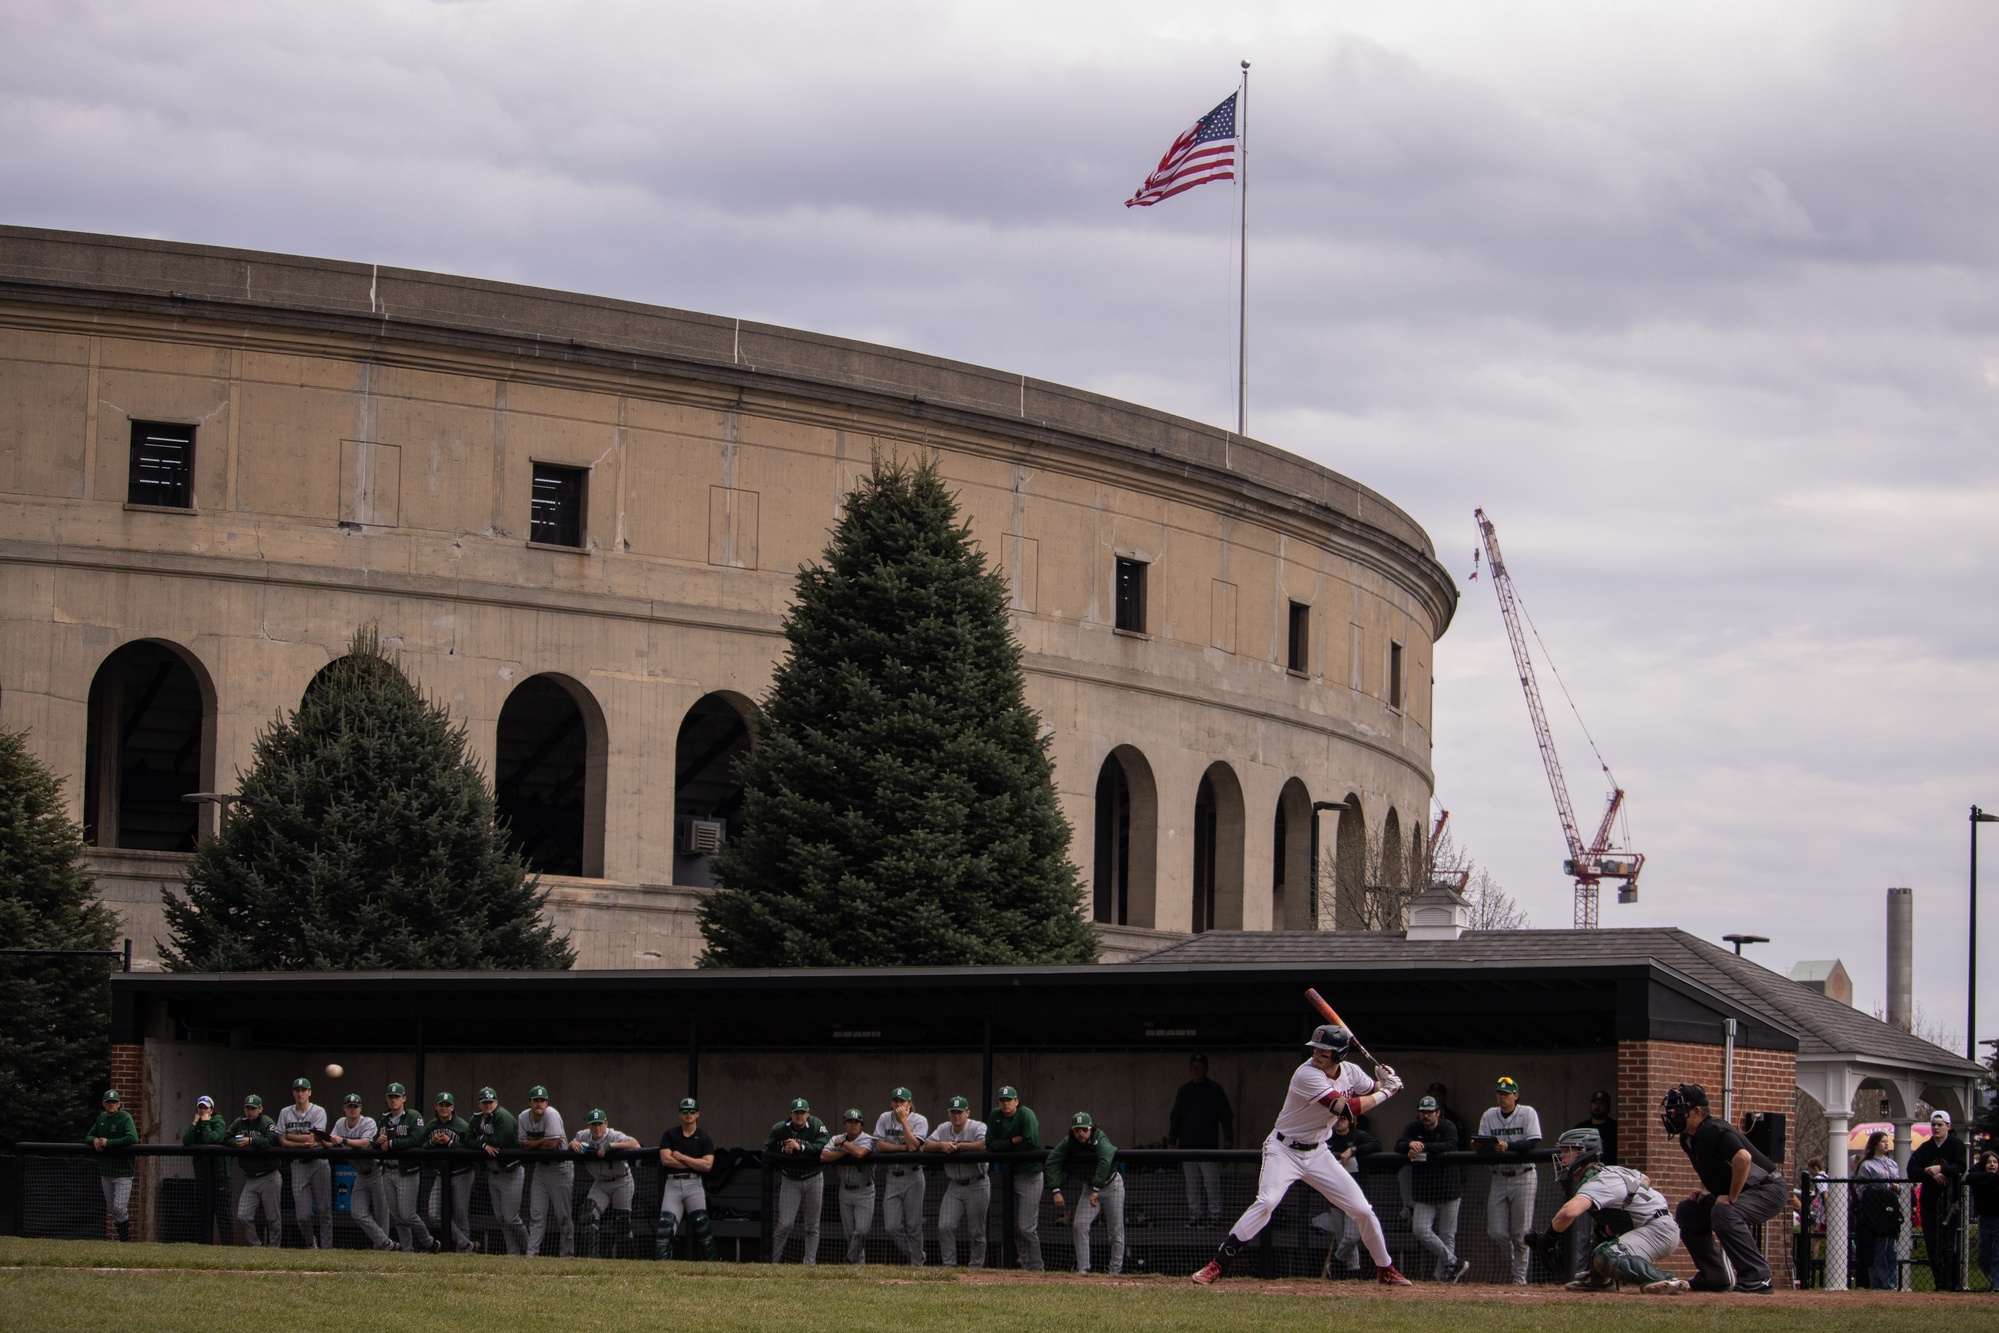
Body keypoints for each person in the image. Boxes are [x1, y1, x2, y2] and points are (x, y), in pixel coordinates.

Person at [1191, 1023, 1411, 1287]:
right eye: (1316, 1049)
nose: (1317, 1055)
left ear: (1339, 1055)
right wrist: (1387, 1091)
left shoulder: (1351, 1071)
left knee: (1363, 1210)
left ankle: (1385, 1269)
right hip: (1283, 1150)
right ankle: (1217, 1265)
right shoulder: (1306, 1074)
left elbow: (1368, 1088)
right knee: (1267, 1202)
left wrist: (1384, 1081)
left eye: (1324, 1052)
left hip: (1318, 1153)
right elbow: (1346, 1109)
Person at [1526, 1127, 1687, 1294]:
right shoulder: (1611, 1171)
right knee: (1602, 1239)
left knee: (1607, 1254)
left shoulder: (1598, 1181)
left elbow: (1569, 1212)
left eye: (1568, 1150)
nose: (1562, 1155)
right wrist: (1625, 1210)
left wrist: (1549, 1237)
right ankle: (1599, 1282)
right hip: (1656, 1224)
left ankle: (1664, 1279)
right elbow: (1645, 1180)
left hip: (1658, 1230)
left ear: (1584, 1151)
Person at [1661, 1083, 1786, 1293]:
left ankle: (1758, 1276)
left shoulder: (1713, 1130)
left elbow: (1743, 1159)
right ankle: (1714, 1276)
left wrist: (1731, 1197)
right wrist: (1708, 1192)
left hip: (1769, 1189)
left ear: (1697, 1112)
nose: (1673, 1115)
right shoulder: (1688, 1138)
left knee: (1725, 1210)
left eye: (1679, 1110)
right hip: (1747, 1191)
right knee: (1688, 1211)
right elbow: (1714, 1168)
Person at [1474, 1076, 1543, 1284]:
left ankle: (1519, 1279)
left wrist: (1508, 1146)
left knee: (1521, 1233)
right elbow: (1483, 1142)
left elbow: (1532, 1143)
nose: (1502, 1098)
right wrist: (1478, 1147)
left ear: (1516, 1096)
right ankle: (1513, 1267)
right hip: (1499, 1176)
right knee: (1495, 1231)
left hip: (1523, 1175)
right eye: (1499, 1094)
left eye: (1506, 1094)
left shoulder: (1527, 1112)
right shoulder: (1489, 1115)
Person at [1395, 1094, 1470, 1282]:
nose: (1426, 1116)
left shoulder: (1448, 1126)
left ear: (1438, 1113)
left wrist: (1422, 1147)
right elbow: (1399, 1145)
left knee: (1447, 1235)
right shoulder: (1414, 1127)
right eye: (1422, 1112)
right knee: (1420, 1229)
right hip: (1425, 1192)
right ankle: (1453, 1261)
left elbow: (1451, 1144)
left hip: (1449, 1190)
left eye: (1429, 1112)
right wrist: (1409, 1145)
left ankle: (1442, 1277)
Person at [1048, 1111, 1123, 1275]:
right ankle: (1084, 1269)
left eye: (1084, 1129)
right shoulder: (1069, 1142)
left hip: (1111, 1186)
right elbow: (1052, 1161)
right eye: (1077, 1130)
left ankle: (1115, 1271)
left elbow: (1105, 1160)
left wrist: (1097, 1188)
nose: (1080, 1133)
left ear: (1091, 1128)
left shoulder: (1100, 1137)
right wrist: (1055, 1189)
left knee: (1115, 1231)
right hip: (1089, 1188)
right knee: (1079, 1224)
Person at [1169, 1054, 1235, 1227]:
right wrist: (1171, 1140)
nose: (1196, 1070)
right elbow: (1175, 1118)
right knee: (1192, 1184)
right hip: (1187, 1146)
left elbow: (1226, 1116)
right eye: (1193, 1067)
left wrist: (1228, 1139)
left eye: (1199, 1067)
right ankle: (1195, 1215)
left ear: (1206, 1069)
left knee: (1211, 1182)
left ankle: (1215, 1216)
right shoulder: (1183, 1091)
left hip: (1208, 1147)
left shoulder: (1214, 1089)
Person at [924, 1095, 989, 1267]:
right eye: (953, 1112)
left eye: (960, 1112)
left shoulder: (977, 1126)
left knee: (976, 1232)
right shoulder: (944, 1128)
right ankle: (949, 1266)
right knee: (945, 1226)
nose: (956, 1115)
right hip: (954, 1185)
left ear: (967, 1112)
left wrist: (959, 1146)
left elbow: (984, 1144)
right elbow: (926, 1144)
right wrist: (941, 1145)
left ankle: (976, 1268)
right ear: (948, 1113)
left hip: (977, 1183)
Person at [1909, 1109, 1968, 1291]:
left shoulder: (1956, 1144)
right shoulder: (1926, 1147)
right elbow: (1912, 1169)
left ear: (1948, 1127)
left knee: (1948, 1243)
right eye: (1933, 1125)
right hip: (1930, 1201)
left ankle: (1951, 1283)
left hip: (1951, 1202)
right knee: (1932, 1243)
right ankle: (1939, 1282)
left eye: (1940, 1125)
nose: (1936, 1128)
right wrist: (1931, 1174)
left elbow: (1960, 1166)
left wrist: (1941, 1169)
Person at [373, 1082, 436, 1252]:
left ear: (404, 1098)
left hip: (407, 1171)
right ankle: (408, 1249)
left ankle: (429, 1242)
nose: (394, 1100)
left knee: (407, 1214)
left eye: (397, 1097)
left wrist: (392, 1143)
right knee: (397, 1216)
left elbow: (418, 1140)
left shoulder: (413, 1116)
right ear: (387, 1099)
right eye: (391, 1097)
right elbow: (376, 1141)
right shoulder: (384, 1119)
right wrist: (377, 1142)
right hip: (388, 1170)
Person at [988, 1084, 1044, 1271]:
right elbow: (990, 1144)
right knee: (1012, 1227)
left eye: (1009, 1100)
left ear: (1016, 1101)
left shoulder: (1026, 1114)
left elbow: (1032, 1142)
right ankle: (1026, 1267)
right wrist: (1012, 1141)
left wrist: (1004, 1147)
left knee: (1026, 1227)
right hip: (1009, 1176)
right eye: (1002, 1101)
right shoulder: (996, 1116)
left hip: (1030, 1175)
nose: (1006, 1104)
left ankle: (1037, 1269)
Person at [767, 1097, 830, 1264]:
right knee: (785, 1224)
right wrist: (783, 1149)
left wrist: (800, 1147)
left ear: (808, 1114)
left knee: (812, 1226)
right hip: (790, 1179)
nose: (799, 1116)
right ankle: (772, 1262)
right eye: (796, 1113)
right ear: (791, 1114)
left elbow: (824, 1146)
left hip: (814, 1177)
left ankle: (809, 1264)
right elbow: (768, 1148)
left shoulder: (817, 1125)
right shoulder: (780, 1128)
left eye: (803, 1113)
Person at [328, 1093, 394, 1250]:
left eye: (355, 1107)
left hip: (376, 1171)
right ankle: (386, 1244)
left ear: (360, 1108)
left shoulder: (368, 1122)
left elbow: (365, 1143)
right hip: (360, 1174)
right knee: (357, 1213)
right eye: (349, 1107)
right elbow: (331, 1141)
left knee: (381, 1215)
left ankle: (382, 1250)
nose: (353, 1110)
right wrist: (323, 1138)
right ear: (344, 1109)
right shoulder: (340, 1123)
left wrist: (343, 1140)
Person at [873, 1088, 930, 1265]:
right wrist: (901, 1148)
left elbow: (913, 1147)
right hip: (892, 1176)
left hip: (912, 1175)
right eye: (896, 1101)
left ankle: (916, 1264)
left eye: (902, 1101)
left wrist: (904, 1121)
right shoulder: (884, 1118)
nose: (899, 1104)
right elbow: (879, 1146)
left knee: (913, 1225)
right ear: (891, 1102)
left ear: (910, 1104)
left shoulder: (919, 1120)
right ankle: (916, 1255)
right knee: (891, 1226)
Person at [657, 1096, 718, 1261]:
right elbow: (666, 1160)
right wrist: (694, 1162)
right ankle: (661, 1269)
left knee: (702, 1225)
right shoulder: (670, 1135)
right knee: (665, 1227)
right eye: (685, 1111)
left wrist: (681, 1157)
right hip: (673, 1183)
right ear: (679, 1114)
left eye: (692, 1111)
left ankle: (713, 1267)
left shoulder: (704, 1138)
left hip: (694, 1184)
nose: (688, 1114)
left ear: (698, 1114)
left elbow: (707, 1166)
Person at [571, 1109, 639, 1258]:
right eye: (594, 1124)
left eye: (600, 1124)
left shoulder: (614, 1135)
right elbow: (572, 1143)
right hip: (601, 1183)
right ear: (588, 1125)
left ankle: (624, 1263)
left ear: (606, 1124)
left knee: (622, 1223)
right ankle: (594, 1259)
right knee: (586, 1215)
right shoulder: (582, 1135)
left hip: (622, 1182)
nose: (597, 1128)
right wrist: (573, 1144)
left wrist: (612, 1146)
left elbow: (635, 1145)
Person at [469, 1087, 529, 1255]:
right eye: (485, 1102)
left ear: (497, 1102)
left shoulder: (503, 1116)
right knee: (501, 1218)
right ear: (479, 1104)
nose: (488, 1105)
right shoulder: (477, 1119)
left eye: (491, 1102)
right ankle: (513, 1253)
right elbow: (467, 1138)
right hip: (493, 1173)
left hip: (511, 1173)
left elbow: (499, 1140)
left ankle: (531, 1250)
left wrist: (480, 1139)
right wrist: (483, 1144)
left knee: (511, 1217)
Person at [277, 1076, 333, 1249]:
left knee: (324, 1210)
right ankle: (311, 1244)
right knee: (302, 1215)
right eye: (297, 1090)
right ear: (293, 1093)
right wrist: (295, 1141)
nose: (300, 1093)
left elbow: (313, 1137)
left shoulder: (318, 1111)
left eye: (303, 1090)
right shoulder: (285, 1112)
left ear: (309, 1092)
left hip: (318, 1163)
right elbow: (282, 1140)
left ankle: (327, 1249)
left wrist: (289, 1135)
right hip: (298, 1164)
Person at [519, 1085, 575, 1257]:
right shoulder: (523, 1117)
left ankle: (567, 1255)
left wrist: (534, 1144)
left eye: (542, 1100)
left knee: (563, 1216)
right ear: (529, 1102)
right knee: (536, 1215)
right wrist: (545, 1140)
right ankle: (532, 1254)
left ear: (547, 1102)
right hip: (541, 1169)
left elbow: (551, 1145)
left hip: (560, 1168)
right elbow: (524, 1144)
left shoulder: (552, 1114)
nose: (539, 1104)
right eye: (535, 1100)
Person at [1324, 1107, 1381, 1273]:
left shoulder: (1358, 1136)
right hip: (1335, 1195)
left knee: (1351, 1237)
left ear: (1350, 1121)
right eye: (1336, 1119)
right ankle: (1352, 1271)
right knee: (1344, 1238)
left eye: (1343, 1119)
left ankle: (1336, 1262)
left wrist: (1353, 1150)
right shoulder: (1328, 1139)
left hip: (1355, 1194)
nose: (1339, 1123)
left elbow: (1376, 1145)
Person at [227, 1094, 284, 1248]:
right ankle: (256, 1247)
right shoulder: (240, 1122)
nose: (250, 1111)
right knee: (243, 1215)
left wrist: (250, 1141)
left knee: (273, 1218)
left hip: (269, 1176)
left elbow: (272, 1140)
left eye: (253, 1108)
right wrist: (237, 1141)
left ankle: (274, 1248)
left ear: (260, 1109)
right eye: (247, 1108)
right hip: (250, 1178)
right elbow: (226, 1138)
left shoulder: (267, 1122)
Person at [821, 1109, 877, 1263]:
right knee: (850, 1234)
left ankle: (849, 1260)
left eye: (856, 1122)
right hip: (845, 1190)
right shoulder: (836, 1139)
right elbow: (824, 1156)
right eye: (850, 1122)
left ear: (861, 1125)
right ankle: (858, 1266)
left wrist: (844, 1145)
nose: (853, 1125)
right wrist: (845, 1152)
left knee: (862, 1231)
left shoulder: (867, 1139)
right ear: (844, 1124)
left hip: (864, 1190)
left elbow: (860, 1153)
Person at [422, 1092, 475, 1252]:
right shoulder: (431, 1125)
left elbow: (471, 1150)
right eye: (441, 1105)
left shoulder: (462, 1125)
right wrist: (432, 1142)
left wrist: (450, 1142)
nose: (444, 1108)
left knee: (460, 1215)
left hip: (462, 1174)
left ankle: (463, 1252)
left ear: (452, 1107)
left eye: (447, 1105)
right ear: (435, 1107)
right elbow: (421, 1144)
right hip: (441, 1174)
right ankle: (465, 1244)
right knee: (433, 1214)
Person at [86, 1089, 138, 1242]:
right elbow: (88, 1135)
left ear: (119, 1104)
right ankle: (122, 1240)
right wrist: (94, 1140)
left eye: (114, 1102)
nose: (111, 1105)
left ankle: (125, 1240)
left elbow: (132, 1138)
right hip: (106, 1171)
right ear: (103, 1104)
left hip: (123, 1172)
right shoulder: (101, 1118)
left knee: (119, 1207)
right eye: (108, 1102)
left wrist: (109, 1143)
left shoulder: (125, 1117)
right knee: (113, 1209)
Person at [180, 1094, 231, 1244]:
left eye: (206, 1108)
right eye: (200, 1107)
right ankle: (204, 1244)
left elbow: (212, 1139)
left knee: (223, 1214)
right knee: (202, 1212)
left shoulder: (218, 1121)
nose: (203, 1110)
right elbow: (186, 1141)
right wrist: (195, 1123)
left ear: (212, 1109)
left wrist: (206, 1123)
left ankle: (227, 1246)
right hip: (202, 1175)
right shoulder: (198, 1123)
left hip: (220, 1175)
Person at [1852, 1134, 1900, 1290]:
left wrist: (1896, 1188)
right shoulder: (1867, 1165)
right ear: (1874, 1144)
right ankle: (1880, 1283)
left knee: (1891, 1248)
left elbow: (1899, 1186)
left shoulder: (1892, 1164)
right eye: (1883, 1142)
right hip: (1875, 1211)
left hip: (1890, 1211)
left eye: (1888, 1142)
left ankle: (1892, 1283)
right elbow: (1860, 1190)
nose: (1886, 1144)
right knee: (1879, 1248)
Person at [1968, 1145, 1999, 1291]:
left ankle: (1997, 1286)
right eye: (1988, 1162)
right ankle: (1995, 1282)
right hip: (1984, 1219)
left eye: (1995, 1162)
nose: (1992, 1164)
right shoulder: (1980, 1177)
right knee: (1983, 1257)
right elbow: (1970, 1176)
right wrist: (1989, 1176)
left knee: (1997, 1256)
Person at [1574, 1091, 1619, 1165]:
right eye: (1594, 1103)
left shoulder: (1615, 1128)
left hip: (1609, 1172)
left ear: (1607, 1106)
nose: (1597, 1106)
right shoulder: (1580, 1129)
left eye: (1600, 1103)